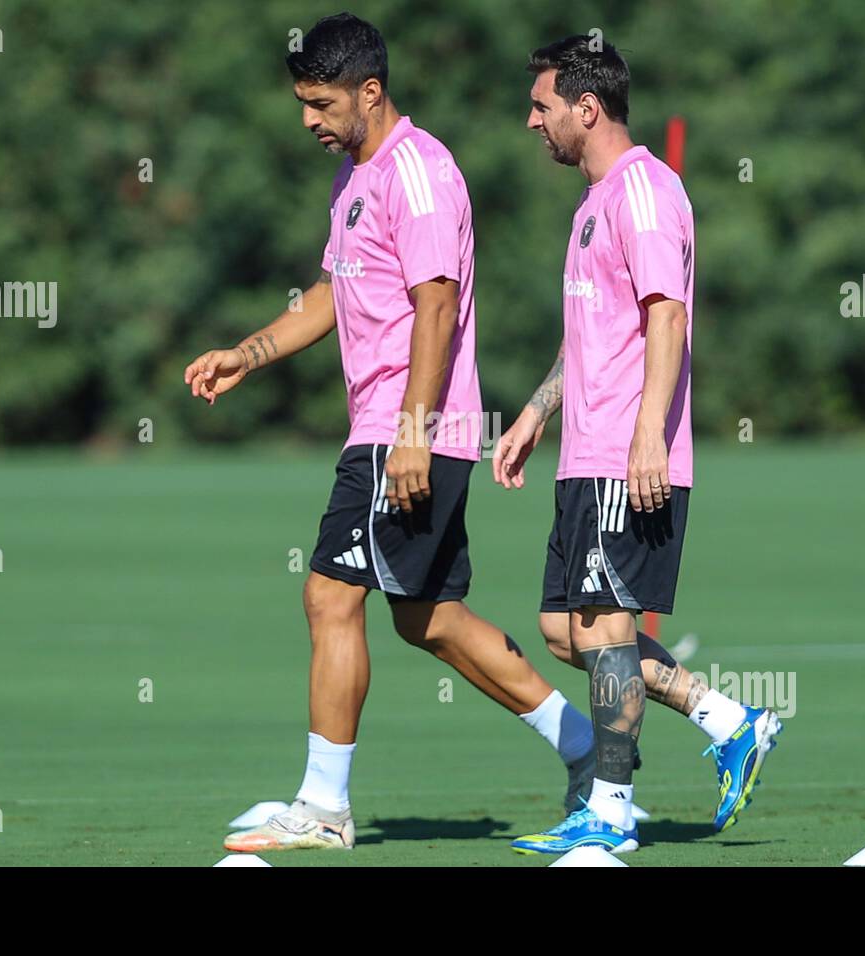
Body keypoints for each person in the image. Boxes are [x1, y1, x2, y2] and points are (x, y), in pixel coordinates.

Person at [185, 14, 599, 854]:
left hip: (404, 429)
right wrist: (247, 354)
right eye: (303, 103)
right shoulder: (355, 176)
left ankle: (324, 805)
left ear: (370, 92)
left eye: (322, 103)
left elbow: (435, 306)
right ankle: (589, 749)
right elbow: (331, 293)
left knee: (329, 596)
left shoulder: (417, 171)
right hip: (402, 428)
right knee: (429, 619)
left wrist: (413, 432)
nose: (309, 119)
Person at [496, 36, 783, 855]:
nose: (532, 122)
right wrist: (536, 412)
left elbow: (667, 313)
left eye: (542, 107)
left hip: (628, 455)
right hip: (585, 456)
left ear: (586, 109)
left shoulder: (647, 191)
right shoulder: (594, 201)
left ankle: (612, 809)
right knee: (567, 631)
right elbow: (592, 333)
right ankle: (730, 721)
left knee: (605, 631)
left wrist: (649, 434)